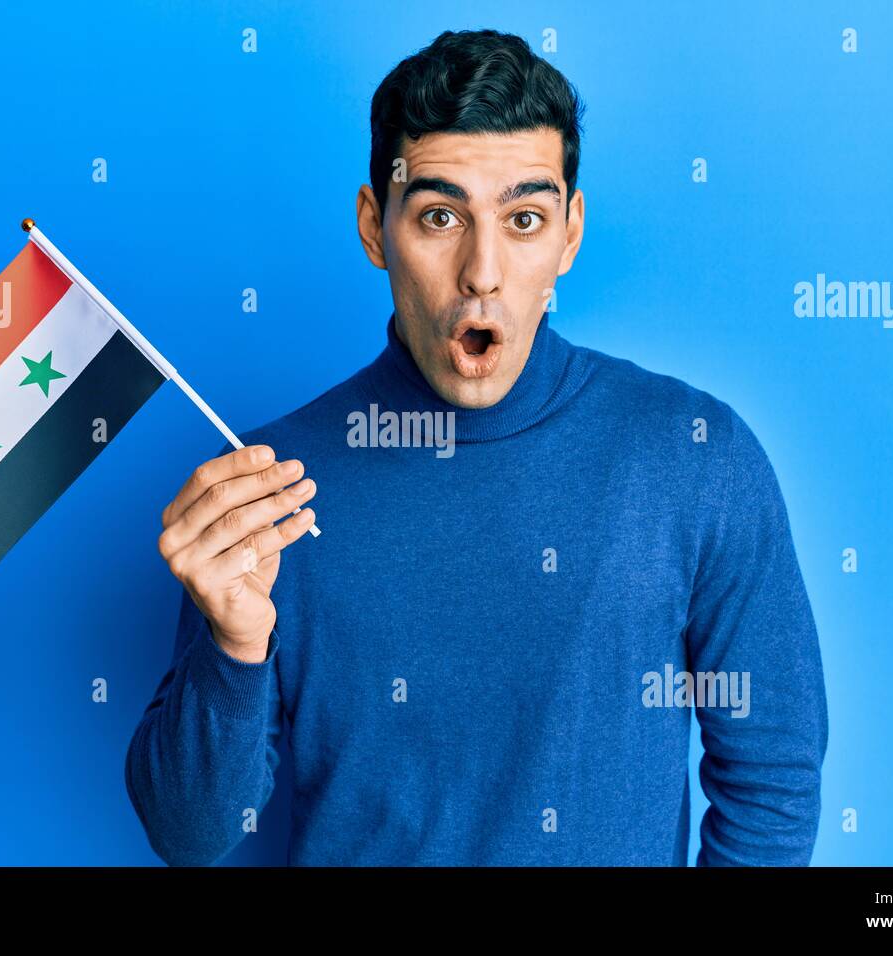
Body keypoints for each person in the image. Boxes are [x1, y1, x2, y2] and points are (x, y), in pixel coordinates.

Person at [126, 28, 828, 866]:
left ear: (568, 234)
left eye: (524, 218)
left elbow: (774, 784)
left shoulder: (696, 458)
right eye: (438, 216)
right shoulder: (272, 492)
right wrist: (234, 646)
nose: (481, 271)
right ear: (374, 228)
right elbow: (191, 837)